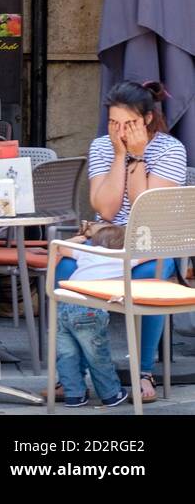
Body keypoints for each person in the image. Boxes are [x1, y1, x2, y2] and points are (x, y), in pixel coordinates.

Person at [57, 79, 186, 403]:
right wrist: (120, 155)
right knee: (63, 269)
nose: (121, 130)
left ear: (146, 119)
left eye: (128, 123)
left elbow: (146, 212)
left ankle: (143, 370)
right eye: (114, 122)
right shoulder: (103, 146)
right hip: (106, 238)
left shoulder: (171, 149)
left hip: (149, 240)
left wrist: (139, 158)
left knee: (154, 273)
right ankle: (71, 377)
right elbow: (106, 208)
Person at [54, 222, 130, 409]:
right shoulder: (124, 256)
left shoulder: (86, 252)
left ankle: (74, 395)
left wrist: (77, 240)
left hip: (64, 304)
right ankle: (111, 393)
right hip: (90, 308)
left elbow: (58, 247)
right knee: (97, 354)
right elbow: (145, 258)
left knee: (67, 355)